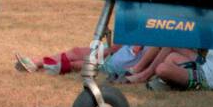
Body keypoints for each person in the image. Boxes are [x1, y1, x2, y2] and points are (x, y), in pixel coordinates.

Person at [14, 43, 149, 82]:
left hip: (116, 63)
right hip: (115, 53)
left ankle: (37, 64)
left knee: (76, 64)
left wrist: (105, 52)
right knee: (76, 52)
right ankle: (37, 63)